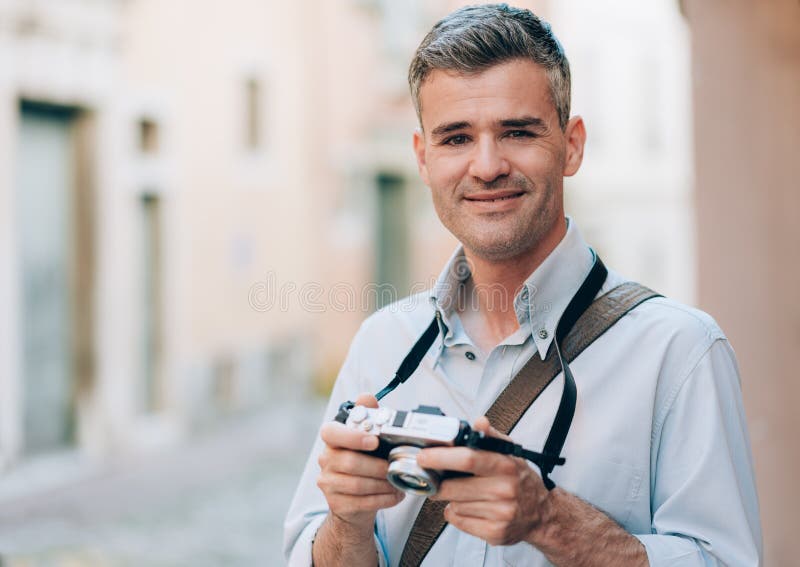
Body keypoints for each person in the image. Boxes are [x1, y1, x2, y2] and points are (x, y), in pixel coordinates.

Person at [284, 4, 762, 566]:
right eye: (456, 138)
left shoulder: (680, 353)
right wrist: (348, 521)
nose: (486, 166)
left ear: (573, 145)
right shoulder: (380, 344)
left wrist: (550, 520)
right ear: (423, 158)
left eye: (516, 131)